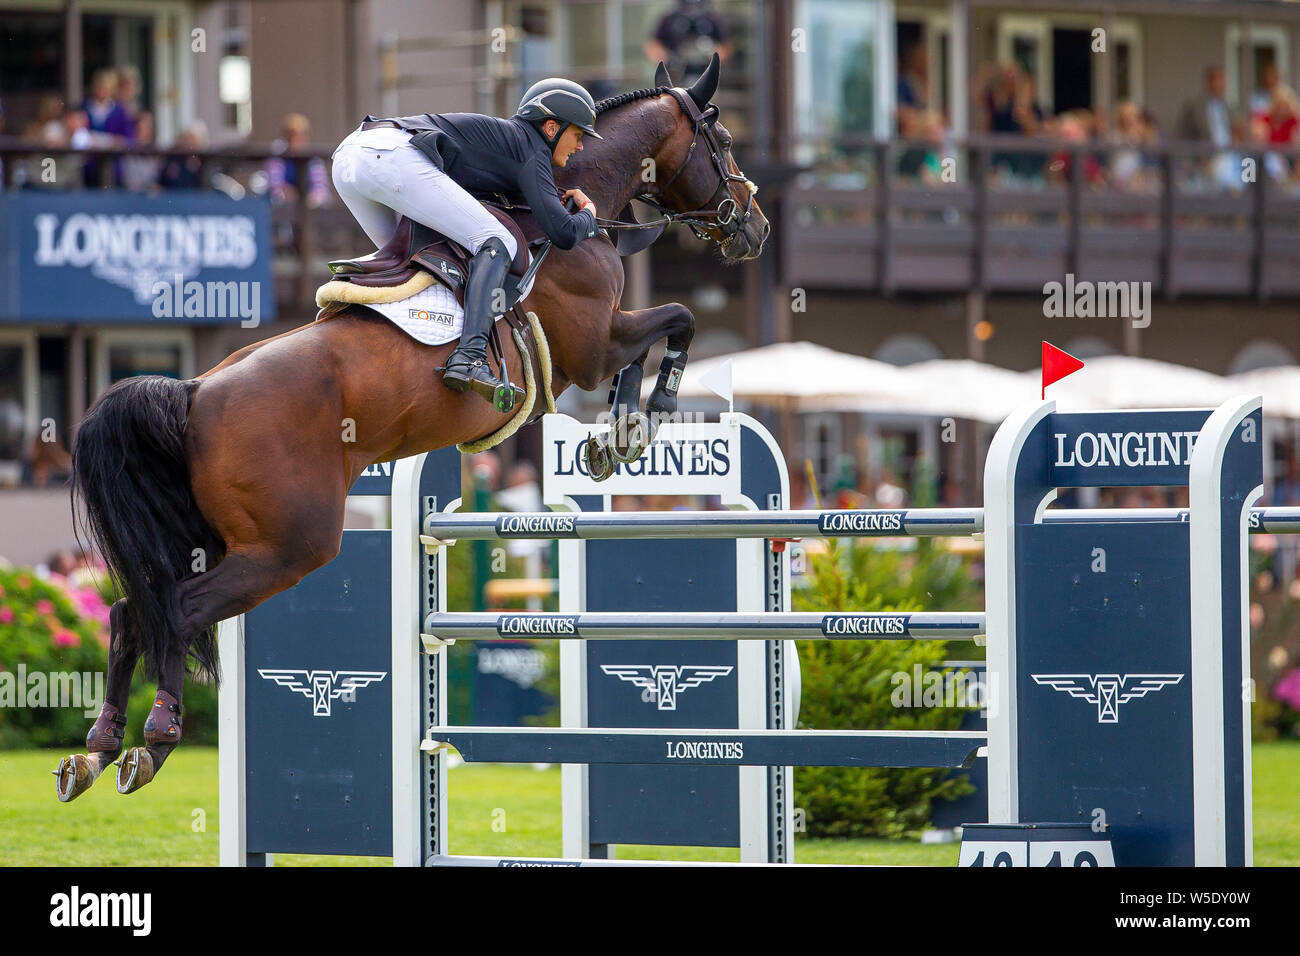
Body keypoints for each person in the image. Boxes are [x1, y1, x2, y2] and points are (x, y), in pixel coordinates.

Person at [332, 78, 602, 406]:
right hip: (388, 156)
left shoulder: (511, 142)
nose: (580, 147)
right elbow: (563, 233)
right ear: (550, 128)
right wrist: (589, 214)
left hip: (349, 157)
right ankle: (470, 357)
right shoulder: (531, 150)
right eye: (578, 134)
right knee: (498, 241)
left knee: (414, 263)